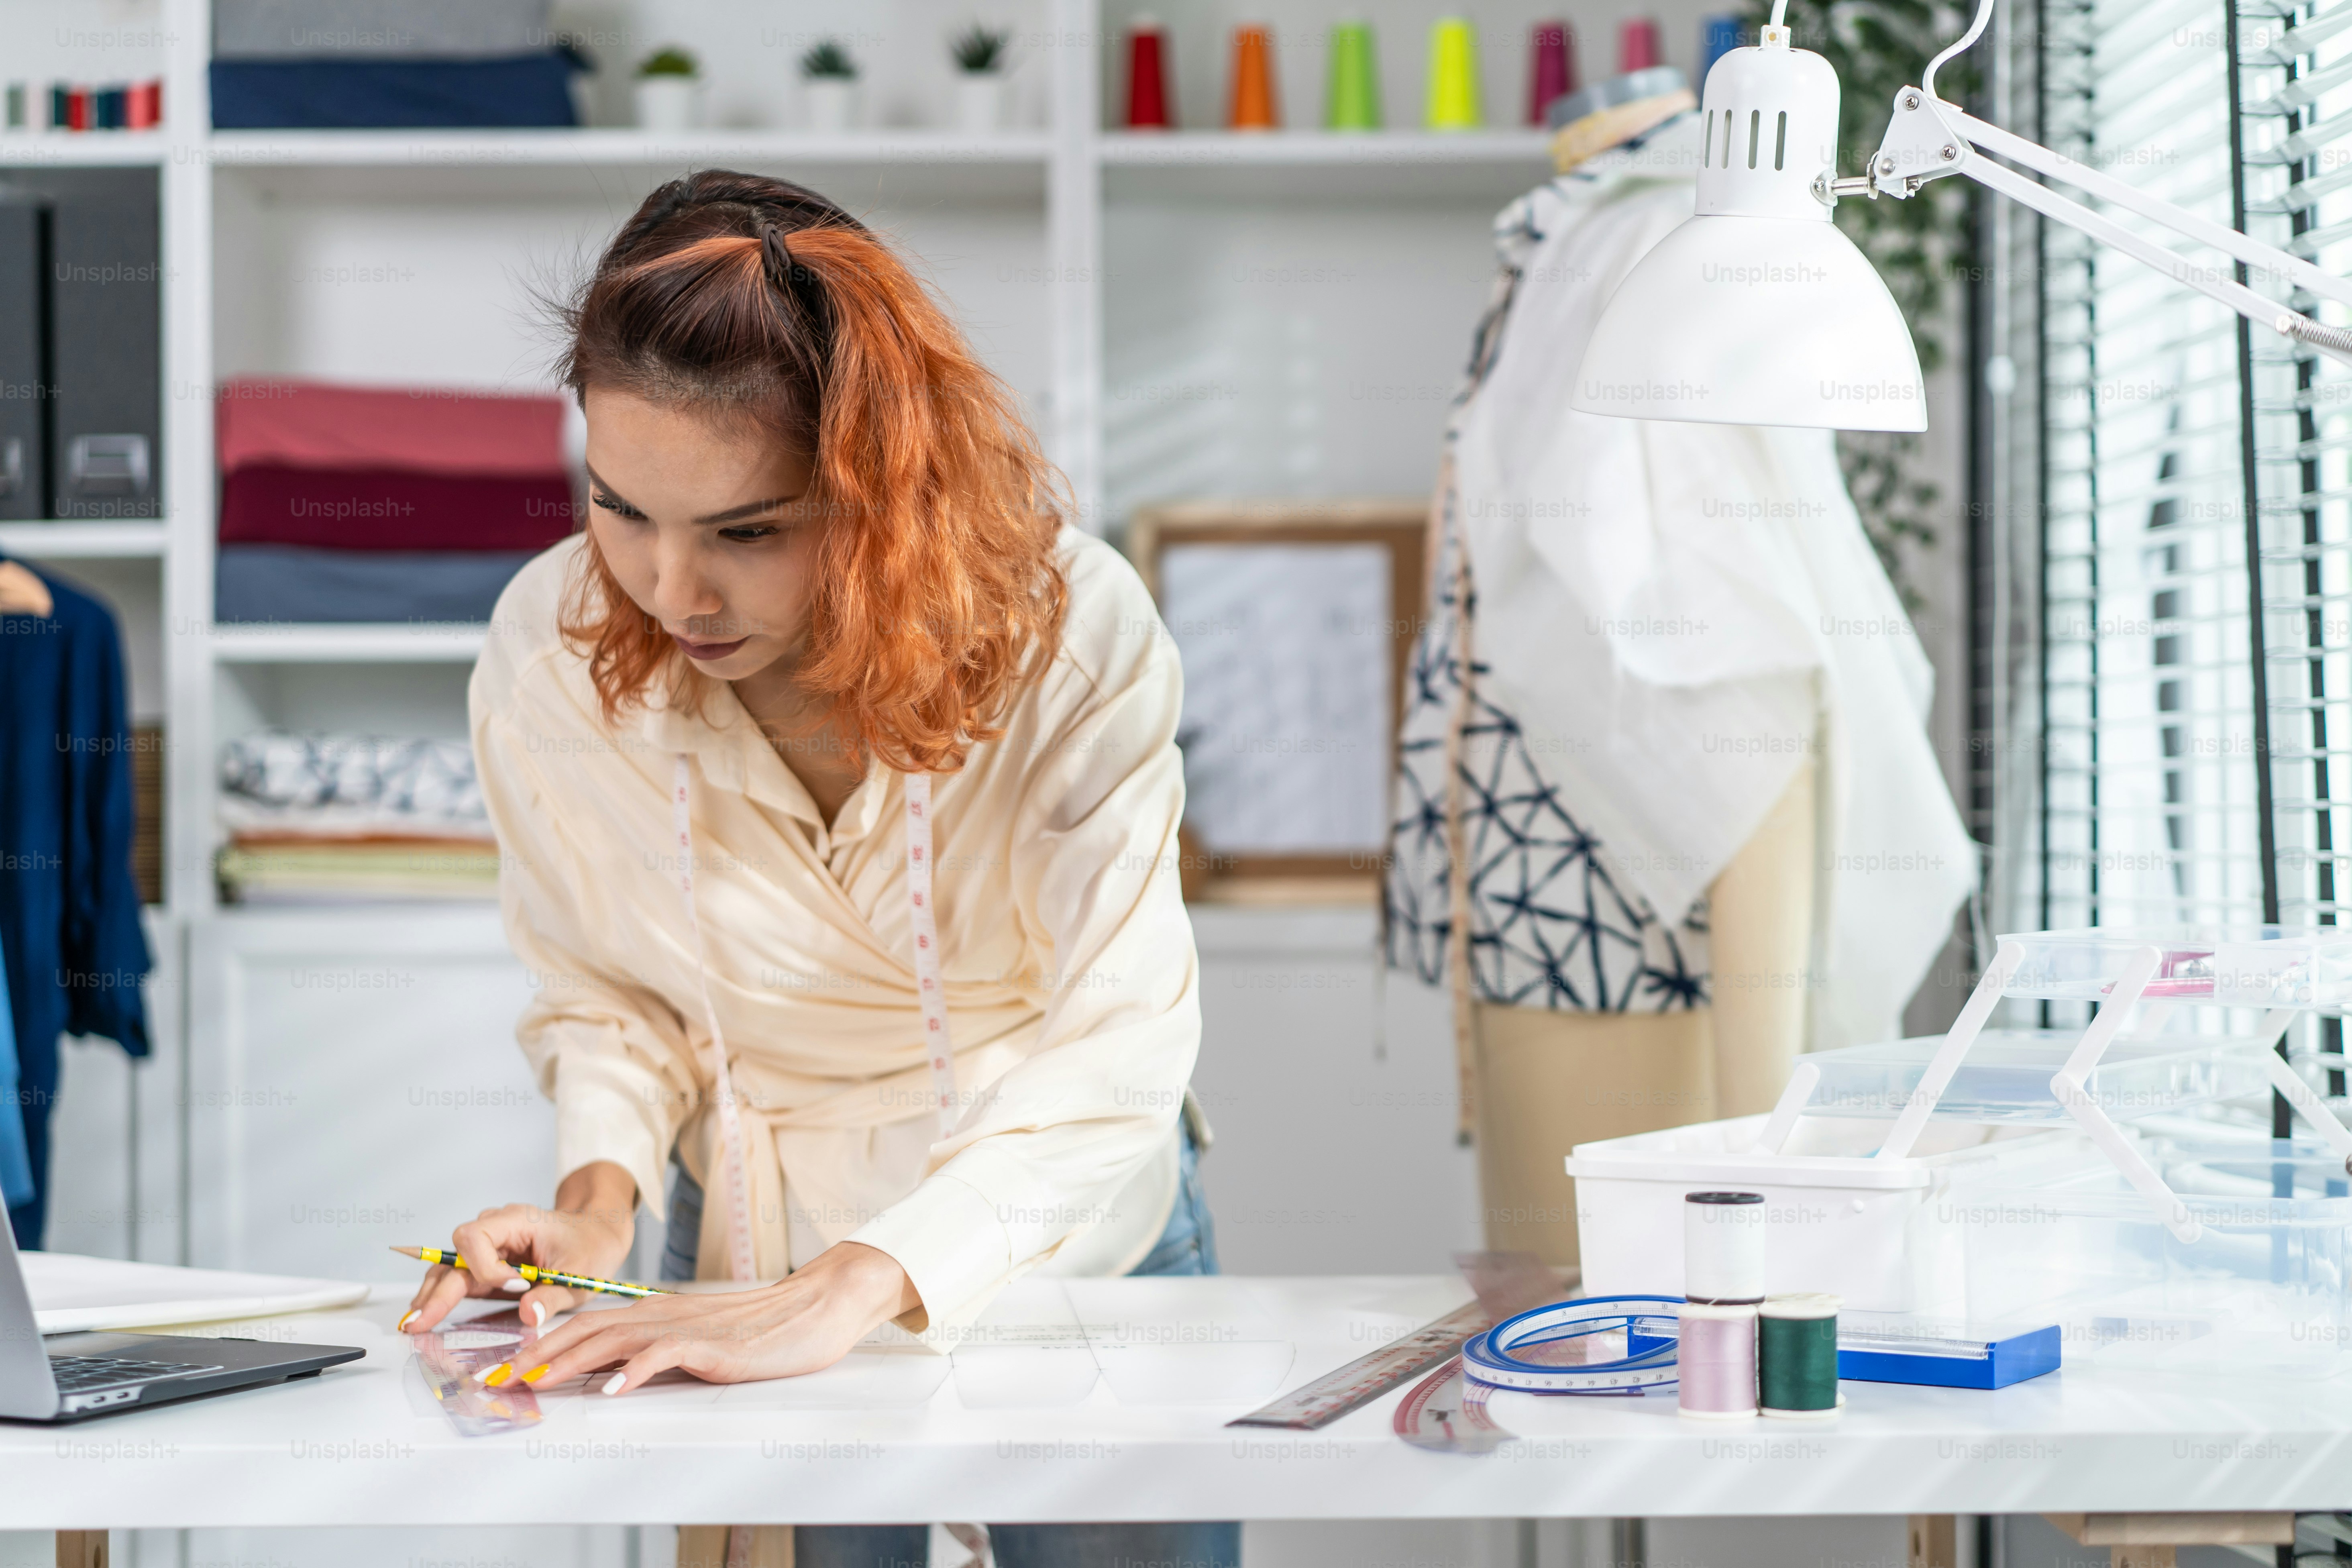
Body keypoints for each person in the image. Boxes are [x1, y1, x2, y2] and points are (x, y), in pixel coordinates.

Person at [399, 170, 1232, 1568]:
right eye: (621, 509)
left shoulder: (1071, 633)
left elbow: (1120, 1038)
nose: (672, 593)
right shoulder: (549, 645)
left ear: (881, 486)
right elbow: (604, 990)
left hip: (1060, 1222)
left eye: (749, 530)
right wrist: (594, 1198)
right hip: (743, 1229)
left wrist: (857, 1280)